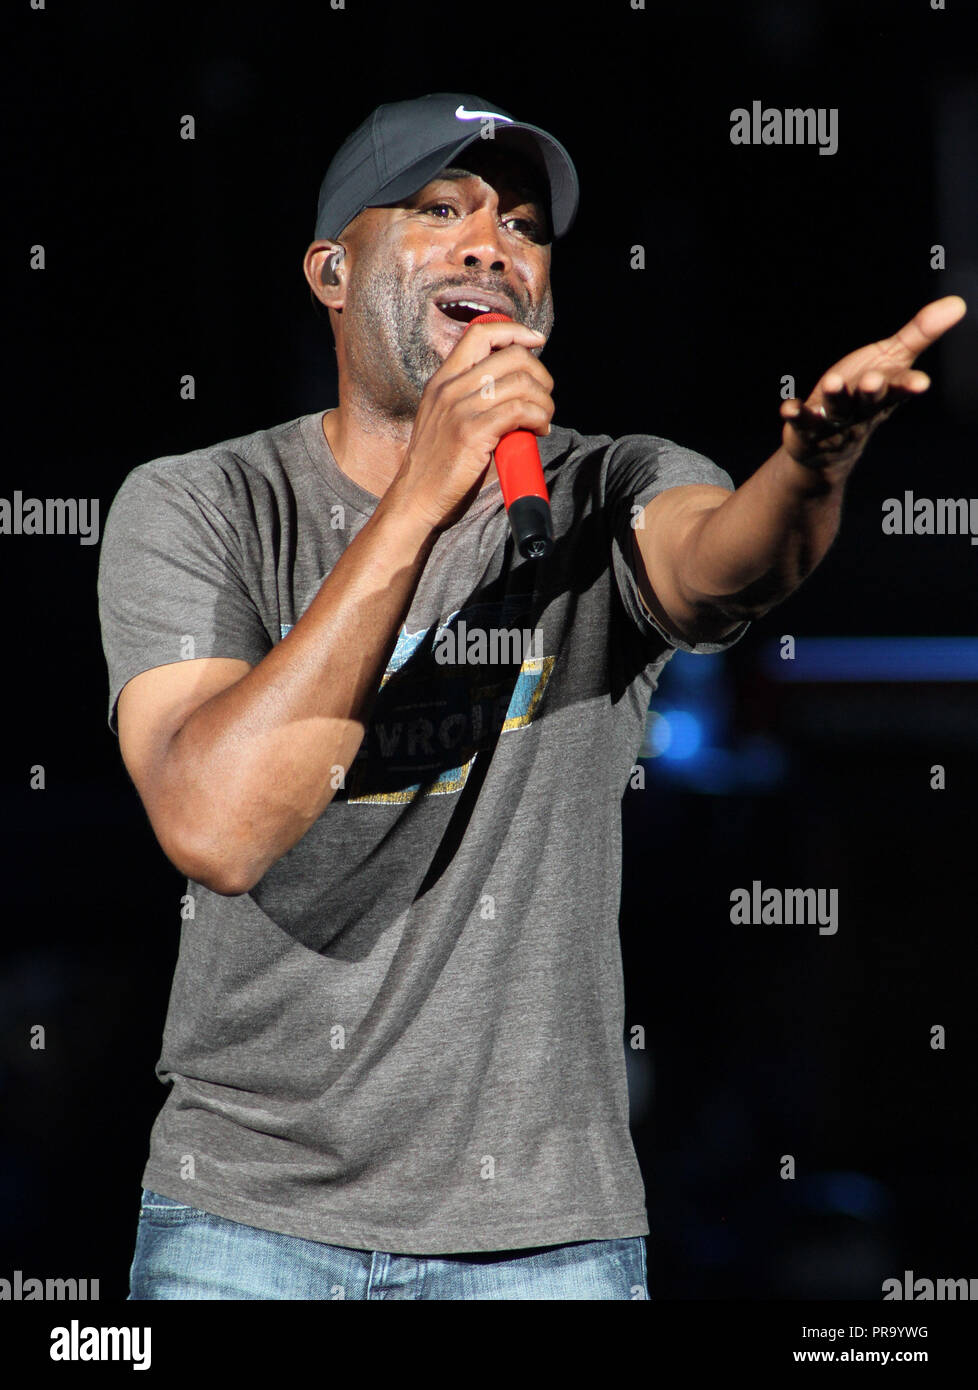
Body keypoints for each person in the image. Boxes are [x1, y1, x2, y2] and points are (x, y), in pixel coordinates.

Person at [97, 91, 965, 1301]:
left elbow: (727, 566)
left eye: (520, 225)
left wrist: (813, 466)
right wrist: (419, 504)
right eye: (440, 209)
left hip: (539, 1243)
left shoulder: (608, 486)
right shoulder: (199, 505)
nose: (488, 245)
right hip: (247, 1226)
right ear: (331, 269)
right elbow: (217, 825)